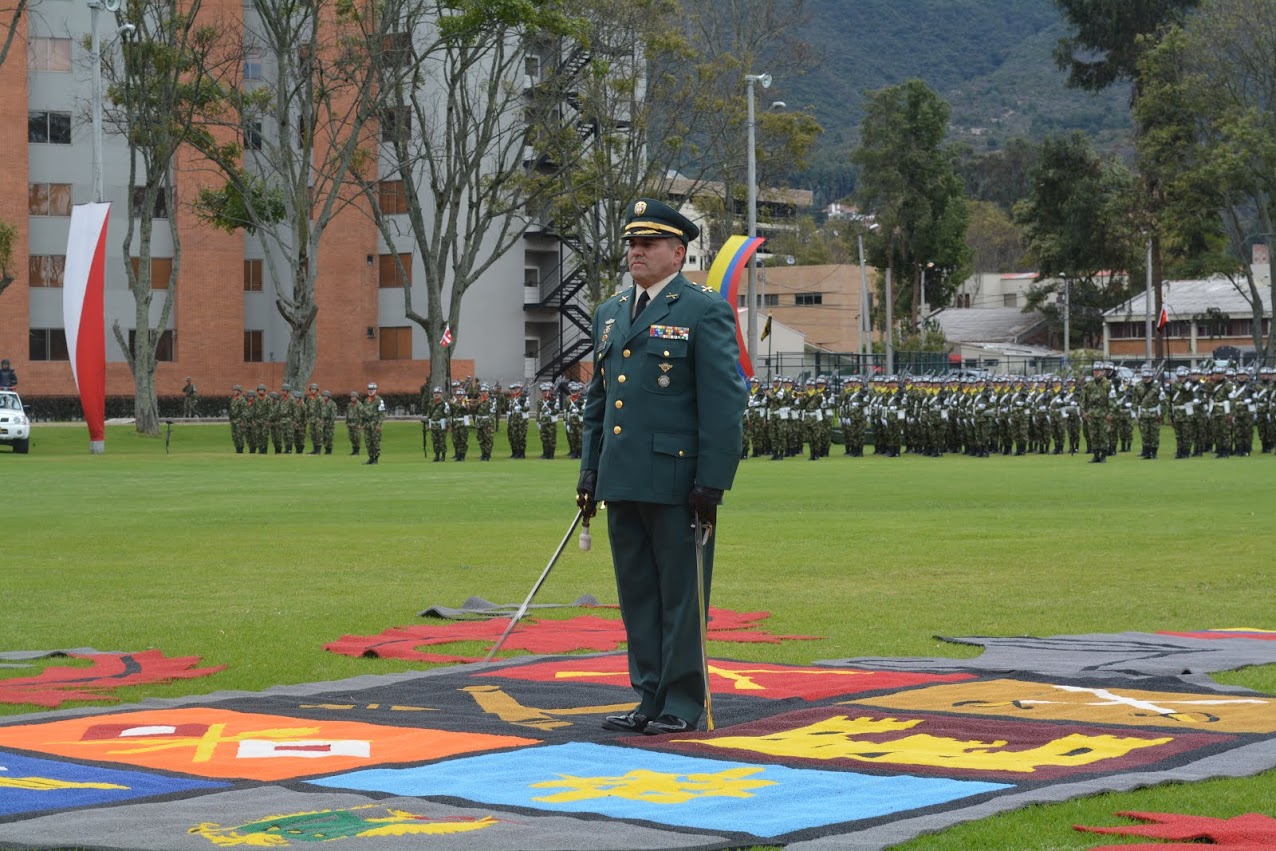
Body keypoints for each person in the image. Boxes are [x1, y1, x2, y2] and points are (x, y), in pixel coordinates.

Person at [576, 197, 747, 736]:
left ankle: (682, 701)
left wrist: (712, 481)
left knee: (681, 594)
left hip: (678, 482)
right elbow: (599, 404)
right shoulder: (609, 312)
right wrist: (588, 473)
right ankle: (647, 695)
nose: (637, 251)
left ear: (678, 252)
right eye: (632, 243)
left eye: (648, 243)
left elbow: (724, 403)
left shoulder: (702, 309)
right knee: (638, 594)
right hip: (623, 476)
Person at [361, 383, 385, 464]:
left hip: (375, 424)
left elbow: (382, 414)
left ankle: (376, 458)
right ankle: (370, 457)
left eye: (372, 390)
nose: (370, 391)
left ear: (375, 390)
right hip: (367, 424)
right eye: (369, 390)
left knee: (375, 441)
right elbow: (363, 412)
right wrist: (362, 423)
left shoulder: (379, 400)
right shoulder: (366, 401)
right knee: (368, 441)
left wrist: (379, 424)